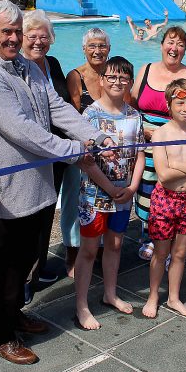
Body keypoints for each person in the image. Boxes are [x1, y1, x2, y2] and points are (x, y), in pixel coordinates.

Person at [0, 0, 114, 365]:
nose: (14, 38)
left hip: (40, 189)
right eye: (7, 32)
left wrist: (95, 135)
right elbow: (24, 132)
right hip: (9, 197)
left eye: (17, 30)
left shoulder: (26, 67)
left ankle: (14, 315)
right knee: (9, 270)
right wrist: (77, 150)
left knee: (30, 260)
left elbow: (57, 109)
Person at [74, 56, 145, 330]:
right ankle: (81, 305)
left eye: (123, 78)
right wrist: (111, 188)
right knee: (90, 250)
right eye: (111, 77)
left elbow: (139, 155)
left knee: (115, 245)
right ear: (102, 80)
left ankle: (110, 293)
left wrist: (133, 187)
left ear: (129, 82)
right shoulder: (90, 116)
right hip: (94, 197)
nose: (117, 82)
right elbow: (85, 161)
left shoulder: (133, 115)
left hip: (123, 196)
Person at [131, 27, 186, 261]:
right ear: (161, 44)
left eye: (180, 44)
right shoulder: (145, 70)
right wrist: (143, 130)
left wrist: (169, 133)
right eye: (170, 42)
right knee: (146, 190)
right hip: (145, 141)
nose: (174, 48)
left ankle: (171, 239)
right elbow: (131, 107)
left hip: (175, 143)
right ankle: (148, 236)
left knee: (170, 188)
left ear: (185, 49)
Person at [143, 79, 186, 319]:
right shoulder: (160, 134)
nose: (185, 108)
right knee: (161, 253)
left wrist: (176, 164)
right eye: (180, 102)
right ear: (169, 104)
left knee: (180, 253)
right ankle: (153, 296)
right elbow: (163, 174)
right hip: (164, 200)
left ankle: (173, 297)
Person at [21, 10, 66, 292]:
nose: (39, 42)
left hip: (58, 153)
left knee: (48, 211)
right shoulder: (16, 68)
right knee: (29, 217)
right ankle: (26, 274)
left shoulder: (52, 63)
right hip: (32, 155)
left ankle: (38, 264)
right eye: (32, 36)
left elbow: (61, 106)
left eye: (44, 36)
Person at [62, 28, 111, 276]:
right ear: (84, 49)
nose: (97, 50)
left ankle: (99, 250)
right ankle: (72, 252)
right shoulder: (75, 76)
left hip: (110, 151)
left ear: (109, 49)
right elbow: (70, 116)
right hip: (82, 150)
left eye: (102, 45)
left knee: (102, 200)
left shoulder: (113, 74)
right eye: (92, 45)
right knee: (73, 201)